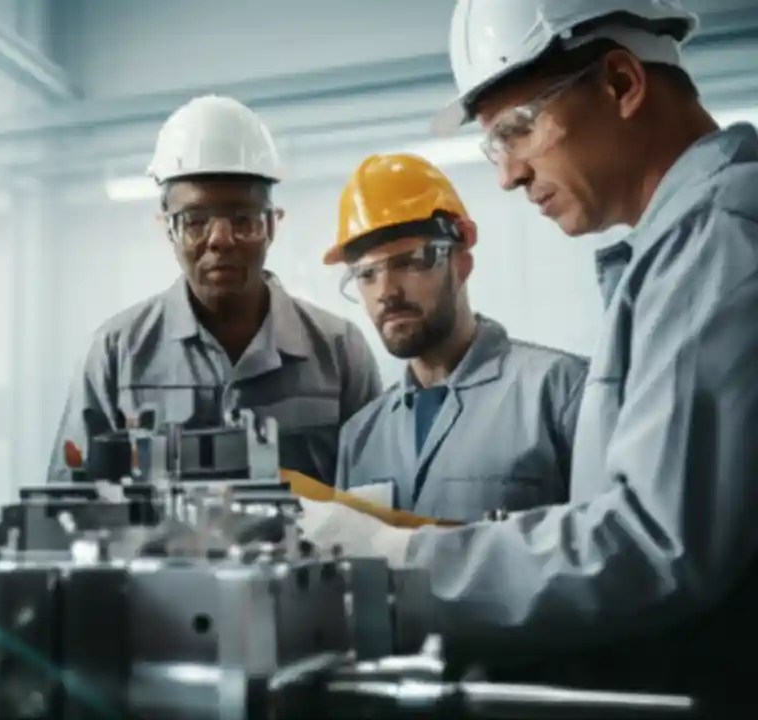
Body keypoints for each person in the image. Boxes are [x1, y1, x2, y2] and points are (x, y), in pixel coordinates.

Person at [299, 0, 758, 707]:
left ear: (622, 83)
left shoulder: (719, 242)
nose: (509, 174)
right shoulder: (677, 254)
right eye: (495, 145)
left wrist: (400, 560)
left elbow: (653, 542)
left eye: (519, 129)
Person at [49, 95, 383, 485]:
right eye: (195, 221)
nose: (220, 240)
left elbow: (373, 503)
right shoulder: (117, 353)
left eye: (243, 220)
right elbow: (70, 501)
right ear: (167, 228)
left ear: (273, 226)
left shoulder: (339, 351)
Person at [326, 153, 587, 522]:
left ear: (461, 261)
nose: (385, 291)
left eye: (409, 262)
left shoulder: (560, 391)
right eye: (367, 275)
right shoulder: (361, 437)